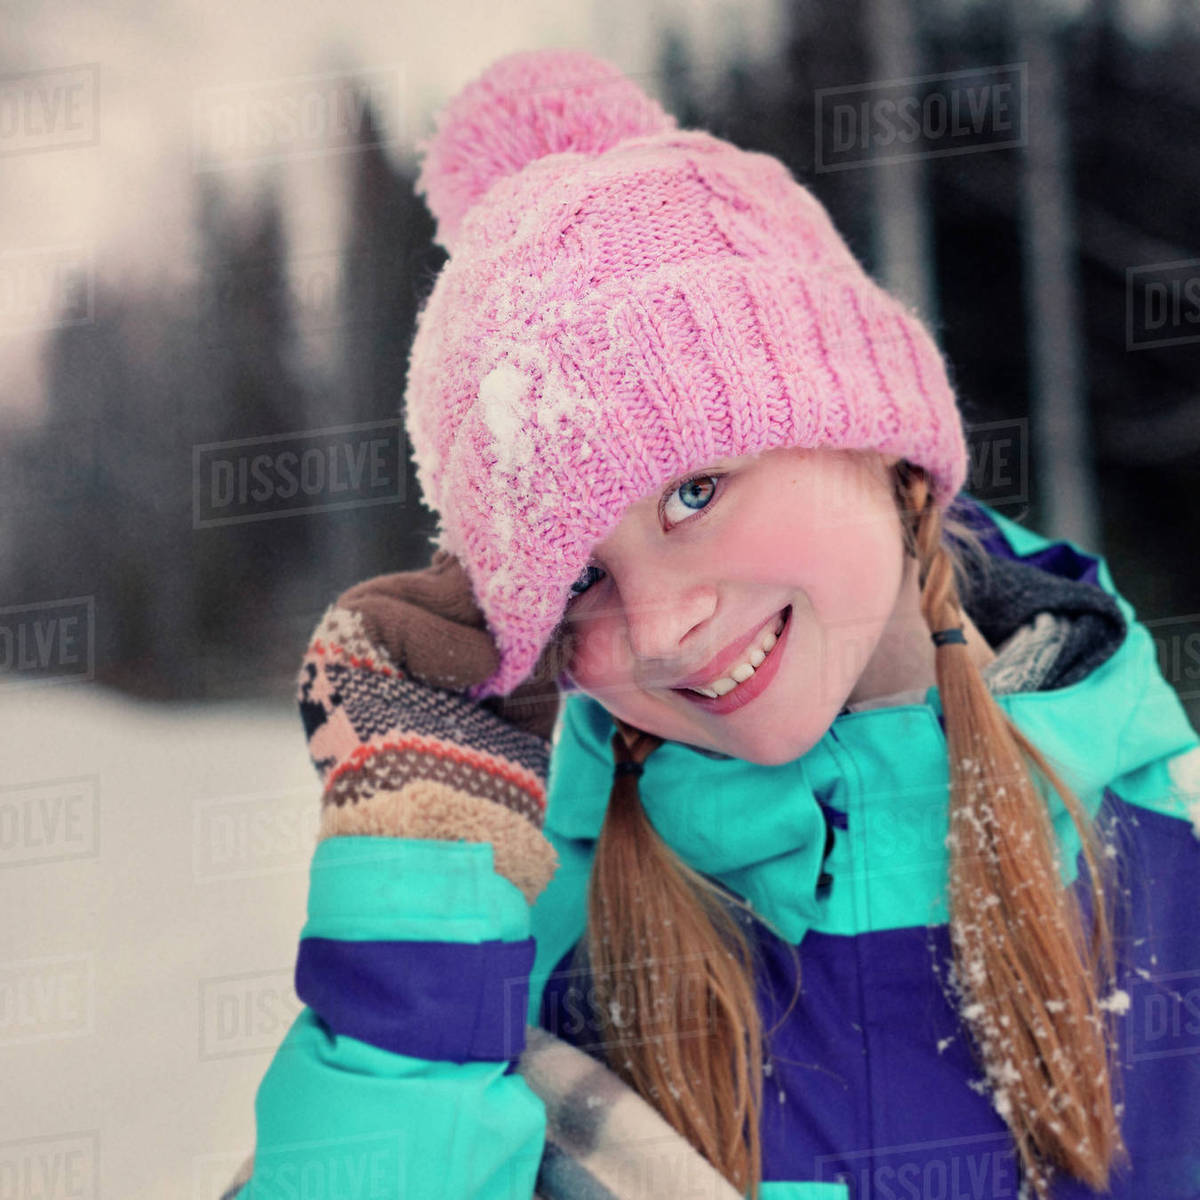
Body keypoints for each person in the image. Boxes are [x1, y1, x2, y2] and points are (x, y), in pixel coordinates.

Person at [221, 48, 1200, 1200]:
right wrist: (417, 897)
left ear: (875, 434)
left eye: (695, 492)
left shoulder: (1158, 855)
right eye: (579, 576)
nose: (668, 629)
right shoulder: (523, 944)